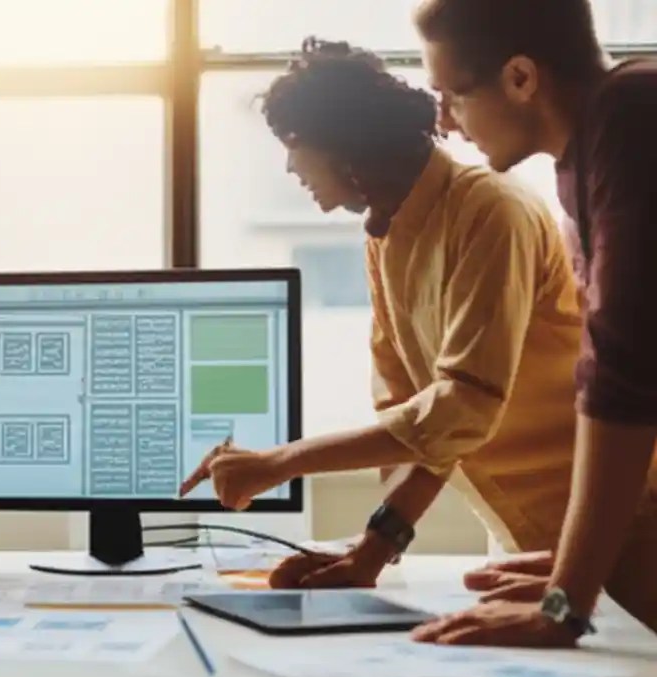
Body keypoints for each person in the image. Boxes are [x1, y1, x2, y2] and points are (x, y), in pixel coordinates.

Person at [181, 38, 591, 615]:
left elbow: (460, 409)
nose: (290, 166)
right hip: (528, 538)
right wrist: (370, 551)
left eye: (294, 145)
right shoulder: (386, 235)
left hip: (612, 530)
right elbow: (424, 423)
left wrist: (280, 462)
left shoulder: (493, 212)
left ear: (347, 148)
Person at [408, 0, 657, 647]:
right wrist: (579, 571)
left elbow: (624, 372)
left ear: (521, 78)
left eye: (450, 95)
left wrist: (566, 601)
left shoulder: (633, 118)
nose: (443, 122)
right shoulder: (587, 152)